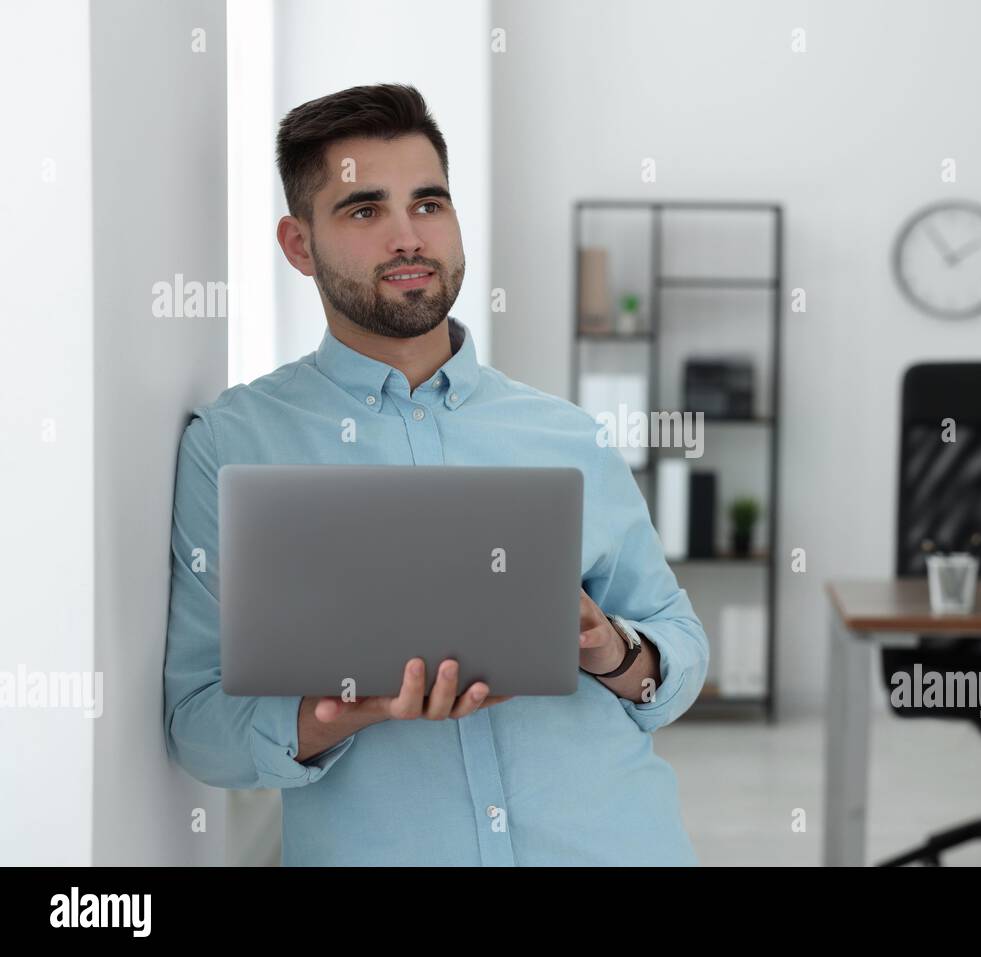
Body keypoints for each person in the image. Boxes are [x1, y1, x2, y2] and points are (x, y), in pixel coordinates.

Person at [163, 83, 708, 866]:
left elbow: (678, 649)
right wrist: (336, 710)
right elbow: (196, 723)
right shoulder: (235, 444)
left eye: (429, 204)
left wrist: (611, 648)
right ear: (299, 244)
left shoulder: (562, 432)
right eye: (363, 210)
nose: (407, 237)